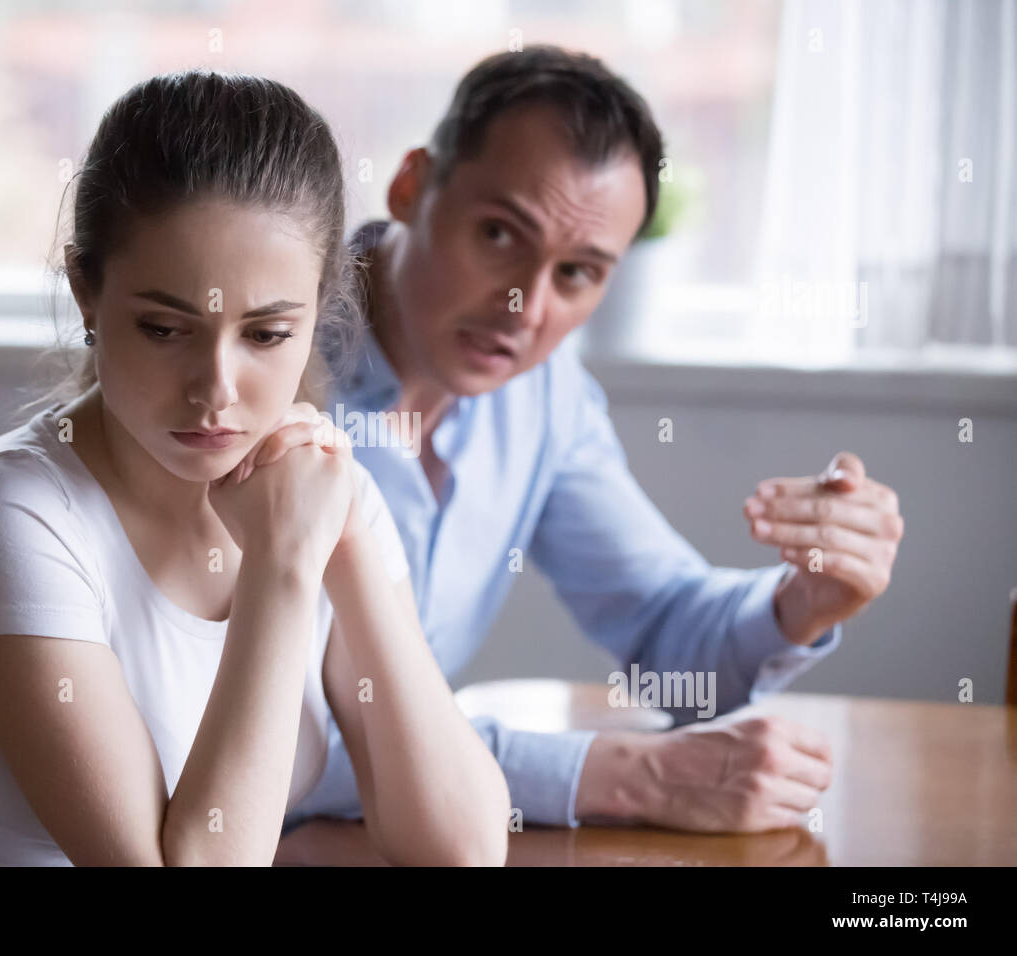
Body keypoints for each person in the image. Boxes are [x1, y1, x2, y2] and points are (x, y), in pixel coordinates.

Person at [0, 70, 510, 866]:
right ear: (86, 290)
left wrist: (346, 541)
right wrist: (282, 570)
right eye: (163, 328)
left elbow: (461, 850)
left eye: (266, 334)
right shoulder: (13, 515)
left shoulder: (313, 488)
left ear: (320, 308)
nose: (216, 391)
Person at [288, 46, 904, 835]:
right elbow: (236, 738)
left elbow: (665, 629)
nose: (524, 307)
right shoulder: (254, 361)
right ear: (411, 186)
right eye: (500, 235)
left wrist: (800, 601)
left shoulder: (542, 393)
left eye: (577, 272)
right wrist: (617, 776)